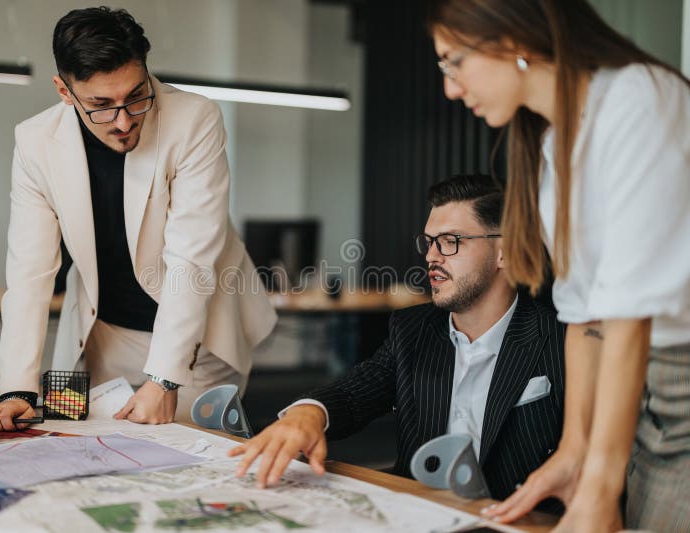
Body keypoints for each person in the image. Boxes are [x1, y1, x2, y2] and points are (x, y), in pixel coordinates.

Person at [427, 1, 690, 531]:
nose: (451, 88)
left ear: (509, 35)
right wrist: (575, 453)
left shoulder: (639, 98)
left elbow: (628, 316)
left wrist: (600, 483)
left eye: (453, 61)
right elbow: (586, 319)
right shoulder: (553, 143)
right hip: (635, 390)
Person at [0, 7, 276, 431]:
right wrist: (16, 390)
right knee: (79, 447)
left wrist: (164, 377)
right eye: (100, 104)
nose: (123, 120)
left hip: (196, 335)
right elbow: (29, 273)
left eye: (136, 96)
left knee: (184, 460)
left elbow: (190, 259)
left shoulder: (194, 119)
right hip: (101, 329)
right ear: (65, 91)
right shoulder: (34, 142)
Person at [229, 175, 566, 510]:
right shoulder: (413, 330)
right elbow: (354, 393)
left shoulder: (560, 339)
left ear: (504, 252)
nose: (432, 257)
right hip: (418, 515)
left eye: (449, 241)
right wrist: (307, 414)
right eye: (429, 242)